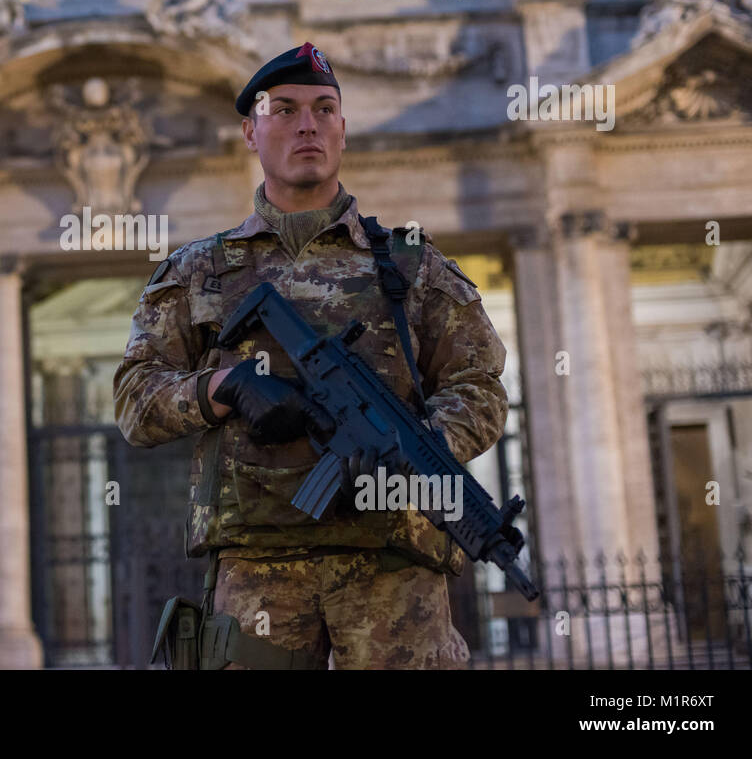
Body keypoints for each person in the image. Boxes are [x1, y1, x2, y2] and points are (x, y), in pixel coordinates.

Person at [113, 42, 509, 669]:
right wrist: (225, 388)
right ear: (251, 130)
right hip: (255, 566)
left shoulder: (410, 263)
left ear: (343, 130)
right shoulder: (199, 271)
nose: (308, 125)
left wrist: (407, 451)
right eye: (286, 109)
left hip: (392, 568)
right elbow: (135, 402)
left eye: (325, 110)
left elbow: (479, 387)